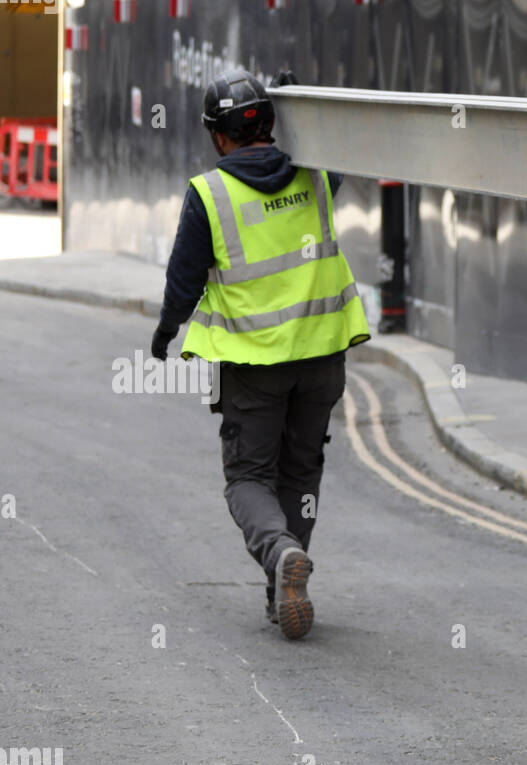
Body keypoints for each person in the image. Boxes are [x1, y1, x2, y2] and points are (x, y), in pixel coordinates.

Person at [151, 69, 369, 639]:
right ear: (272, 124)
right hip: (322, 357)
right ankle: (283, 586)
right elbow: (335, 152)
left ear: (217, 137)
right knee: (300, 470)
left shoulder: (210, 194)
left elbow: (184, 280)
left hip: (254, 367)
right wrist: (302, 110)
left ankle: (277, 555)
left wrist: (166, 331)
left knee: (248, 477)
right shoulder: (317, 173)